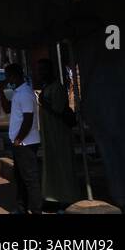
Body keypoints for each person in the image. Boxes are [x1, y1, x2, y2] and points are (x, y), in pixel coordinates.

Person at [35, 58, 81, 209]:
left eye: (43, 70)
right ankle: (53, 198)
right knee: (52, 167)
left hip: (59, 134)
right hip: (49, 134)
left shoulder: (57, 88)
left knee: (63, 166)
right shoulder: (47, 87)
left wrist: (43, 102)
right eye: (39, 70)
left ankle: (66, 199)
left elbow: (58, 110)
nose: (41, 73)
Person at [0, 62, 42, 214]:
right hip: (20, 142)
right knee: (21, 177)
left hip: (26, 142)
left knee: (30, 179)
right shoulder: (18, 92)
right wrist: (1, 91)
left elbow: (28, 119)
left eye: (7, 76)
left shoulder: (25, 93)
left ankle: (36, 209)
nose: (6, 79)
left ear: (13, 76)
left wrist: (19, 139)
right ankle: (21, 206)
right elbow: (6, 108)